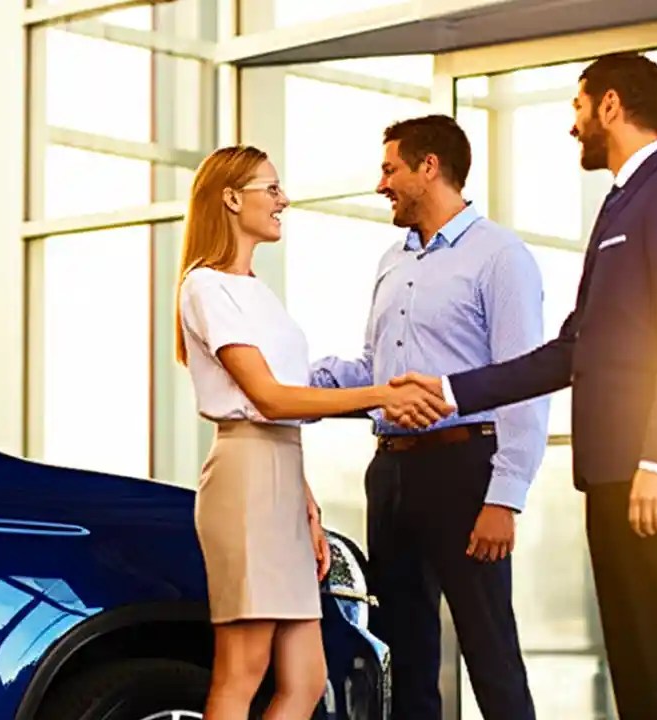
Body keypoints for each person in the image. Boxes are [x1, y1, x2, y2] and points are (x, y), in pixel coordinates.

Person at [392, 53, 657, 719]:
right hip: (613, 475)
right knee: (636, 658)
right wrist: (450, 389)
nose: (572, 125)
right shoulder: (618, 206)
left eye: (579, 107)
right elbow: (570, 351)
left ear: (611, 105)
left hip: (652, 473)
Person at [175, 144, 452, 719]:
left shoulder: (254, 289)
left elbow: (285, 409)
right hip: (245, 481)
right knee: (241, 671)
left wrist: (305, 502)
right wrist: (380, 395)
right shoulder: (206, 288)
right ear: (231, 198)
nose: (284, 200)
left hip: (280, 474)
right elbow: (269, 398)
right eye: (270, 189)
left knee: (305, 679)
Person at [309, 114, 547, 720]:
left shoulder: (500, 256)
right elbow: (374, 367)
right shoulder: (393, 259)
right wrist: (288, 384)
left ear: (429, 166)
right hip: (390, 474)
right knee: (407, 655)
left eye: (390, 168)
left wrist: (506, 497)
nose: (381, 183)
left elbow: (526, 381)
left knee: (490, 654)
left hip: (464, 473)